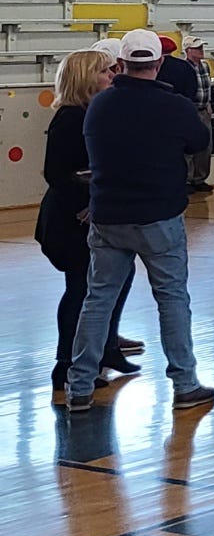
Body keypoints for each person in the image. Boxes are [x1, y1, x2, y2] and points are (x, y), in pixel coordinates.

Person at [63, 29, 214, 413]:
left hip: (109, 217)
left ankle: (79, 385)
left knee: (98, 300)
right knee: (172, 298)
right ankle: (184, 383)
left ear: (122, 64)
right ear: (159, 62)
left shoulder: (100, 105)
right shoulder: (174, 106)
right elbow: (199, 142)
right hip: (159, 217)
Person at [36, 49, 138, 403]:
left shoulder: (93, 112)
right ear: (86, 78)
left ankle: (105, 348)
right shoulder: (70, 118)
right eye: (104, 71)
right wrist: (87, 203)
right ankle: (66, 363)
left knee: (116, 277)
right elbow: (56, 173)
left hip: (90, 211)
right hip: (71, 218)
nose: (112, 76)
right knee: (80, 288)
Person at [181, 35, 214, 189]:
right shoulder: (183, 67)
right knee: (188, 148)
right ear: (188, 50)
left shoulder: (205, 66)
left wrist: (208, 104)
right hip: (191, 110)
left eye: (201, 47)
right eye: (197, 48)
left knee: (206, 146)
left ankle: (199, 178)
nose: (201, 50)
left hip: (204, 109)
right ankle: (188, 179)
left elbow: (207, 87)